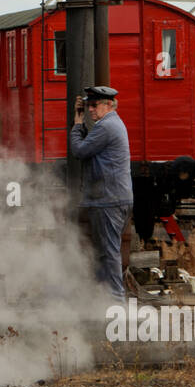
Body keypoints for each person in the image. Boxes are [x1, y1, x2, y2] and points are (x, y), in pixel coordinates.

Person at [70, 85, 133, 299]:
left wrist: (77, 124)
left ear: (108, 105)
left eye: (94, 105)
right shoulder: (110, 125)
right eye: (88, 105)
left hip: (109, 199)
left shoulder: (106, 127)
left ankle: (116, 300)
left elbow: (79, 150)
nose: (90, 109)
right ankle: (104, 297)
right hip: (111, 197)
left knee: (109, 252)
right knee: (105, 252)